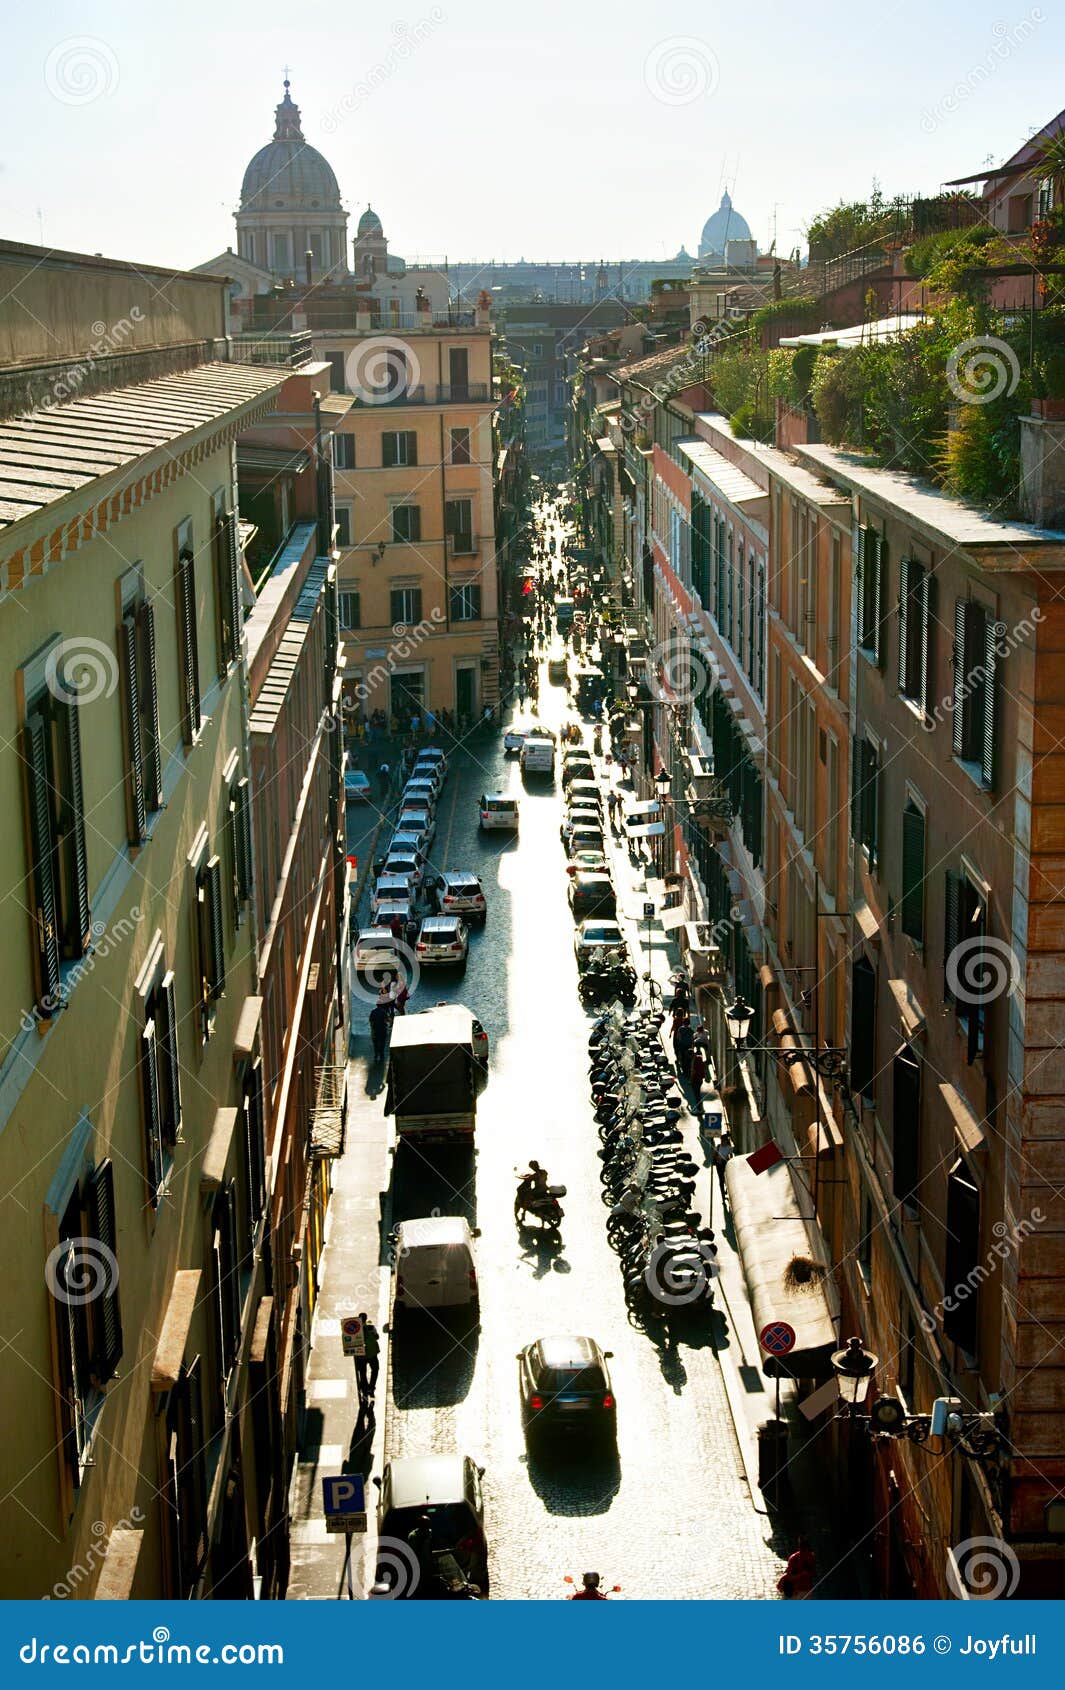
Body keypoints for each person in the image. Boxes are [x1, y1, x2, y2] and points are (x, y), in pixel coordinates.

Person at [353, 1313, 380, 1406]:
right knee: (375, 1370)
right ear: (366, 1318)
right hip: (372, 1353)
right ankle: (371, 1387)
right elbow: (377, 1336)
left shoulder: (355, 1329)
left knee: (362, 1372)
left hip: (361, 1355)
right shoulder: (370, 1327)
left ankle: (365, 1388)